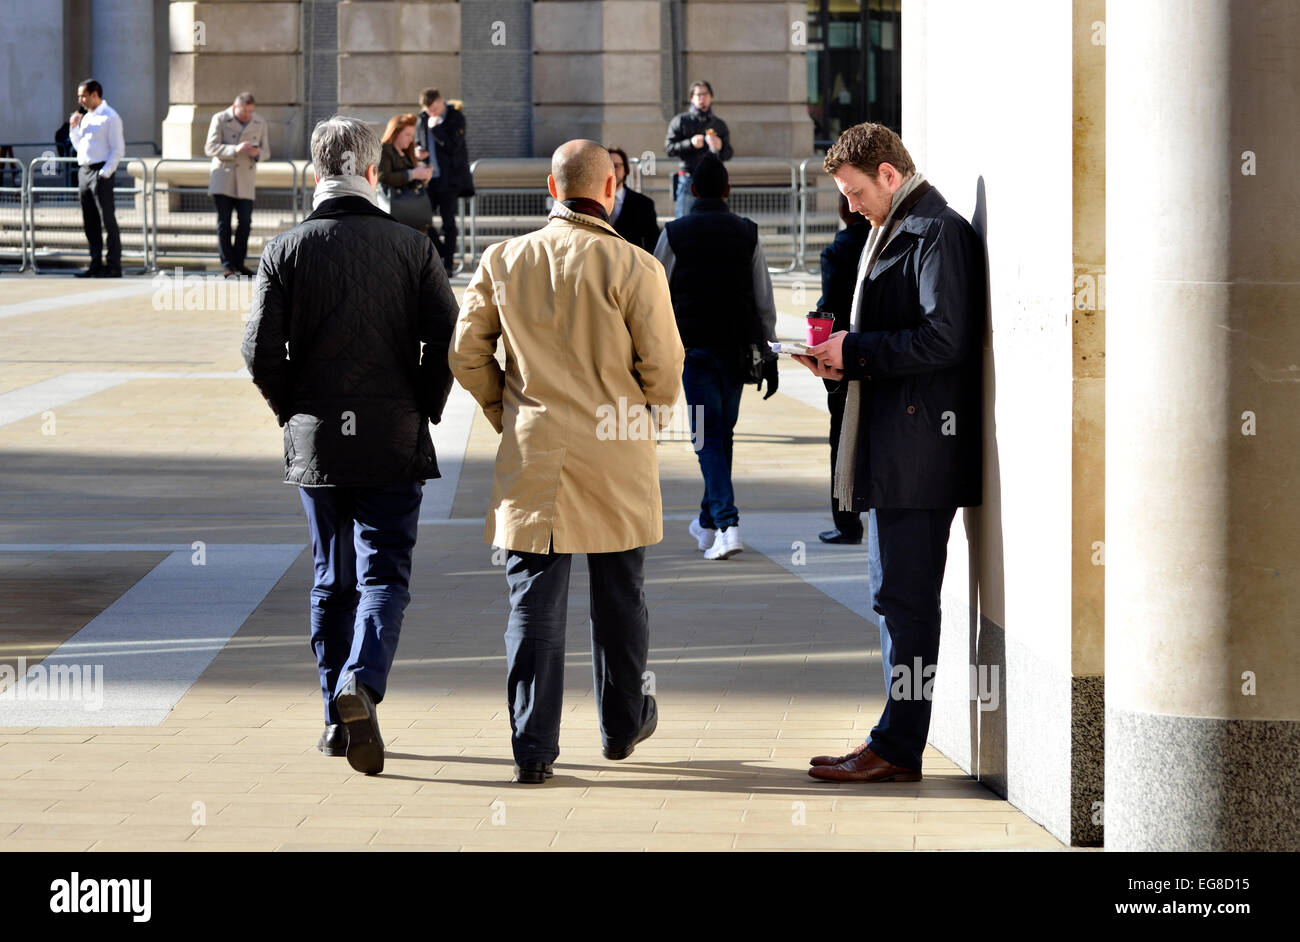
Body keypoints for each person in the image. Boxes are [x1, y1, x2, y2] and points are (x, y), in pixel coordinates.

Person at [450, 139, 684, 785]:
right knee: (620, 598)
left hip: (537, 449)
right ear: (610, 188)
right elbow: (663, 368)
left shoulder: (503, 258)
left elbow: (466, 355)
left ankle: (533, 749)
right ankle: (620, 725)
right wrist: (645, 420)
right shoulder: (636, 266)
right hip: (615, 450)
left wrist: (507, 412)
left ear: (551, 190)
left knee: (533, 605)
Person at [242, 116, 459, 776]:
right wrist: (424, 405)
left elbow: (258, 352)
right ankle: (360, 682)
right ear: (372, 173)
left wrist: (293, 410)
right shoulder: (412, 246)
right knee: (384, 572)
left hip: (320, 442)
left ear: (316, 174)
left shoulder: (285, 249)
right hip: (391, 435)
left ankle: (336, 721)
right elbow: (446, 338)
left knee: (330, 578)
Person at [792, 122, 985, 783]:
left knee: (904, 603)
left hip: (919, 456)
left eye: (853, 192)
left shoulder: (936, 231)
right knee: (893, 599)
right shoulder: (900, 227)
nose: (850, 207)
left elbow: (946, 339)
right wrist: (844, 359)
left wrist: (860, 351)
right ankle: (891, 738)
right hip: (899, 450)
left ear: (889, 175)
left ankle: (899, 746)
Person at [653, 155, 779, 561]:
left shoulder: (674, 233)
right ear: (728, 190)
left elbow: (655, 296)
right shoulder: (747, 233)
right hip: (737, 349)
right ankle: (709, 522)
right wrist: (771, 352)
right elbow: (764, 298)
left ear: (691, 189)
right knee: (719, 435)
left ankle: (725, 523)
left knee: (708, 438)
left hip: (693, 348)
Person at [816, 194, 870, 545]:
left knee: (842, 438)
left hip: (846, 355)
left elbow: (829, 308)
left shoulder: (840, 248)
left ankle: (847, 521)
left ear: (842, 209)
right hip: (881, 353)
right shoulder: (885, 238)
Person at [205, 92, 270, 277]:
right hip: (223, 178)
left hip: (245, 179)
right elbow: (210, 147)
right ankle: (227, 265)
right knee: (224, 223)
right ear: (235, 107)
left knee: (245, 222)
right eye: (244, 111)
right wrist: (235, 149)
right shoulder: (219, 118)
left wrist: (256, 153)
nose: (248, 115)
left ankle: (239, 263)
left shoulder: (260, 122)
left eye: (251, 111)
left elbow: (266, 151)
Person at [67, 79, 124, 278]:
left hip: (101, 172)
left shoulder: (110, 117)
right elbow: (79, 146)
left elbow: (118, 149)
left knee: (108, 221)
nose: (80, 100)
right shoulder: (86, 117)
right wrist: (73, 128)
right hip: (84, 170)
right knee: (89, 221)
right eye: (79, 96)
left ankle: (114, 265)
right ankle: (95, 264)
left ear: (94, 95)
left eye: (83, 95)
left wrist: (104, 173)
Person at [414, 88, 474, 273]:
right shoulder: (423, 118)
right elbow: (418, 140)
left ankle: (448, 263)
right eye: (428, 110)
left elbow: (453, 146)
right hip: (429, 178)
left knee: (448, 222)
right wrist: (418, 150)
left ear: (441, 101)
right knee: (422, 218)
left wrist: (437, 129)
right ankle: (440, 251)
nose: (431, 113)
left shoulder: (456, 117)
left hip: (450, 179)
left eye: (434, 108)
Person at [665, 80, 732, 218]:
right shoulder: (681, 120)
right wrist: (690, 143)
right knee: (684, 220)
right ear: (692, 98)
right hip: (688, 179)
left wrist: (721, 146)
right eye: (698, 94)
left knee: (716, 221)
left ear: (711, 97)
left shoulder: (719, 124)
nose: (702, 98)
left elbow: (728, 153)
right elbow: (669, 148)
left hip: (714, 182)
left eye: (705, 94)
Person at [378, 113, 434, 231]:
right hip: (395, 211)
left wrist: (424, 177)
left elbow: (412, 182)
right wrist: (413, 174)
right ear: (395, 132)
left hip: (412, 213)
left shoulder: (408, 153)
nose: (411, 139)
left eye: (412, 135)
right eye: (407, 134)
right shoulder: (385, 149)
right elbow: (383, 176)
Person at [606, 146, 660, 252]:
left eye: (616, 166)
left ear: (626, 170)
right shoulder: (592, 201)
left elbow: (653, 244)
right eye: (608, 166)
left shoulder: (644, 204)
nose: (612, 170)